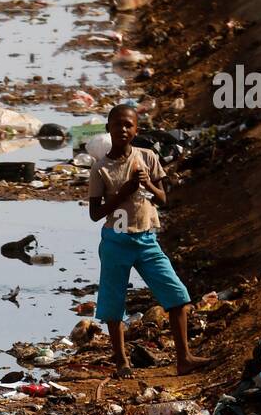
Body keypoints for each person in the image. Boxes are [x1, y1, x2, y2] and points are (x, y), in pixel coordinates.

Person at [88, 104, 207, 376]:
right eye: (117, 125)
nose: (123, 129)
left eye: (128, 125)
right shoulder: (100, 169)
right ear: (108, 129)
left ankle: (184, 358)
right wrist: (123, 193)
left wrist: (147, 185)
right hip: (116, 241)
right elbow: (95, 213)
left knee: (178, 297)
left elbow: (162, 198)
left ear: (136, 130)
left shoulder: (148, 157)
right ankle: (121, 362)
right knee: (113, 304)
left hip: (146, 238)